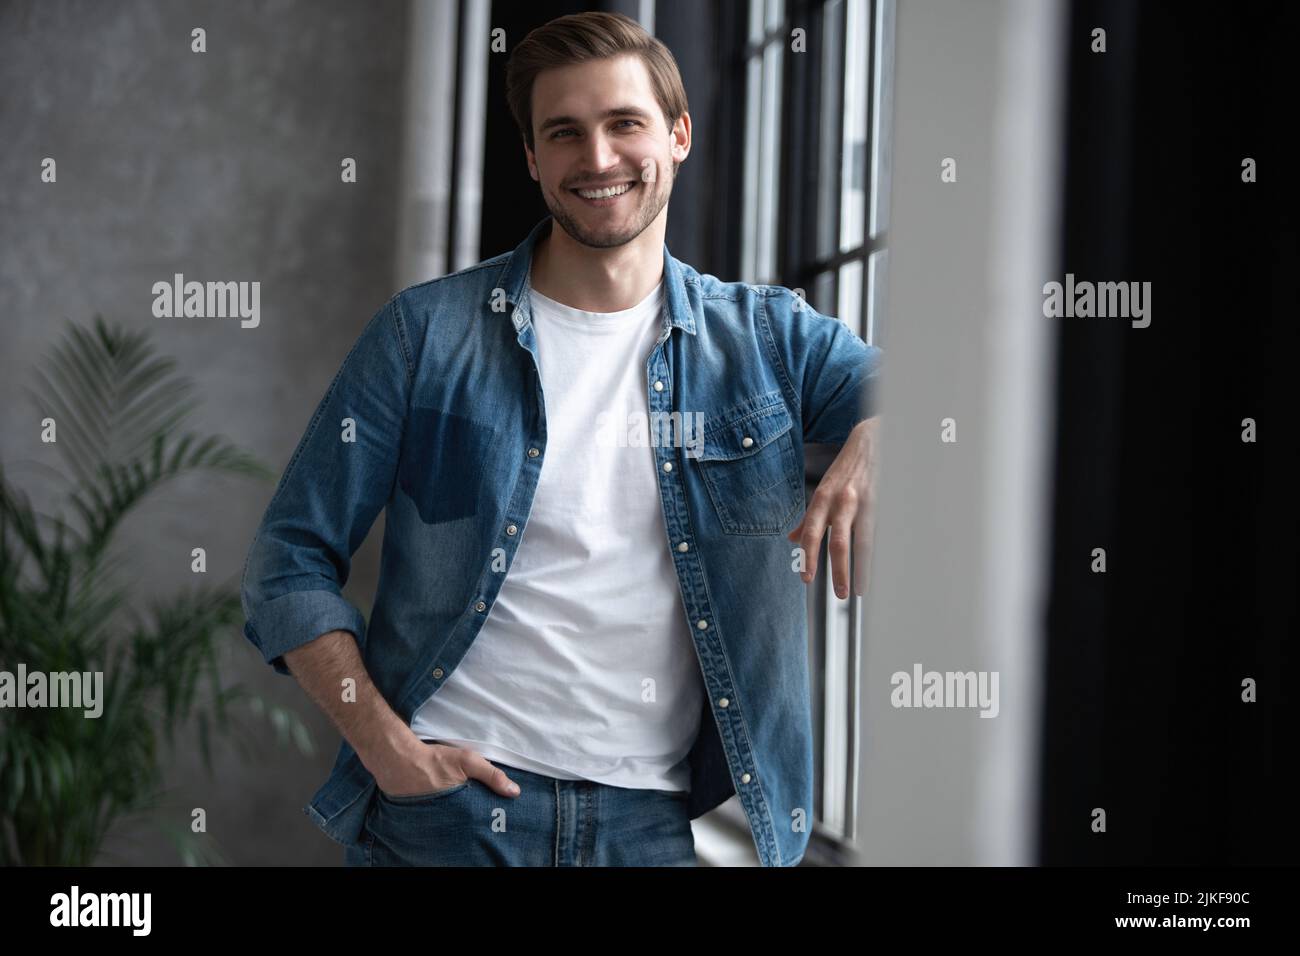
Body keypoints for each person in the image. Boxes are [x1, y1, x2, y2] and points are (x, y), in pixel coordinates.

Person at [240, 11, 883, 867]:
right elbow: (286, 562)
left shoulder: (770, 340)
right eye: (565, 132)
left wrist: (880, 436)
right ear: (533, 159)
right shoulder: (424, 335)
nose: (599, 157)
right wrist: (387, 750)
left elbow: (939, 403)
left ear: (679, 136)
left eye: (624, 123)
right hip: (447, 821)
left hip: (649, 830)